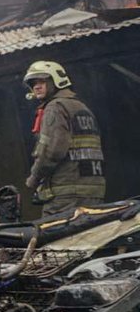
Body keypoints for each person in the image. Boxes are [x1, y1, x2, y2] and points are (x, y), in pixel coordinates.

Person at [23, 60, 105, 217]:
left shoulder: (55, 107)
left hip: (66, 195)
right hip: (94, 191)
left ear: (56, 81)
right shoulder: (82, 107)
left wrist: (34, 178)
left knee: (53, 236)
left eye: (42, 81)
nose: (36, 87)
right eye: (33, 83)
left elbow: (52, 151)